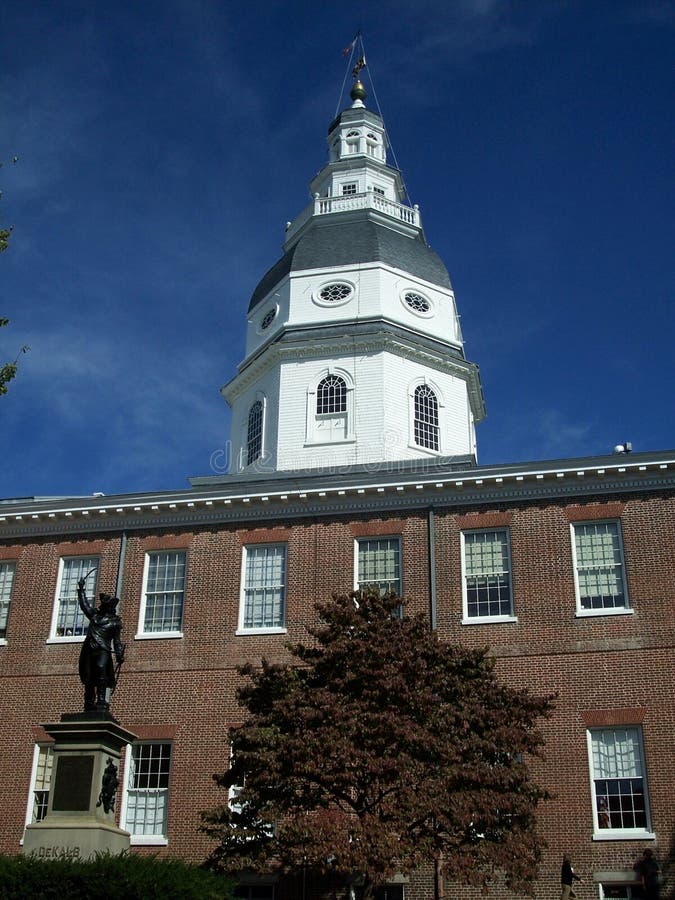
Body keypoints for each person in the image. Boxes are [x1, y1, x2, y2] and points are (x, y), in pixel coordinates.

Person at [77, 577, 124, 712]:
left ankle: (102, 701)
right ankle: (89, 703)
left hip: (102, 649)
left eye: (106, 604)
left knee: (101, 668)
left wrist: (119, 655)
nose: (103, 606)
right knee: (89, 674)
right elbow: (84, 605)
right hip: (89, 650)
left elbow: (117, 641)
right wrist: (81, 590)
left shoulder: (115, 622)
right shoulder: (95, 616)